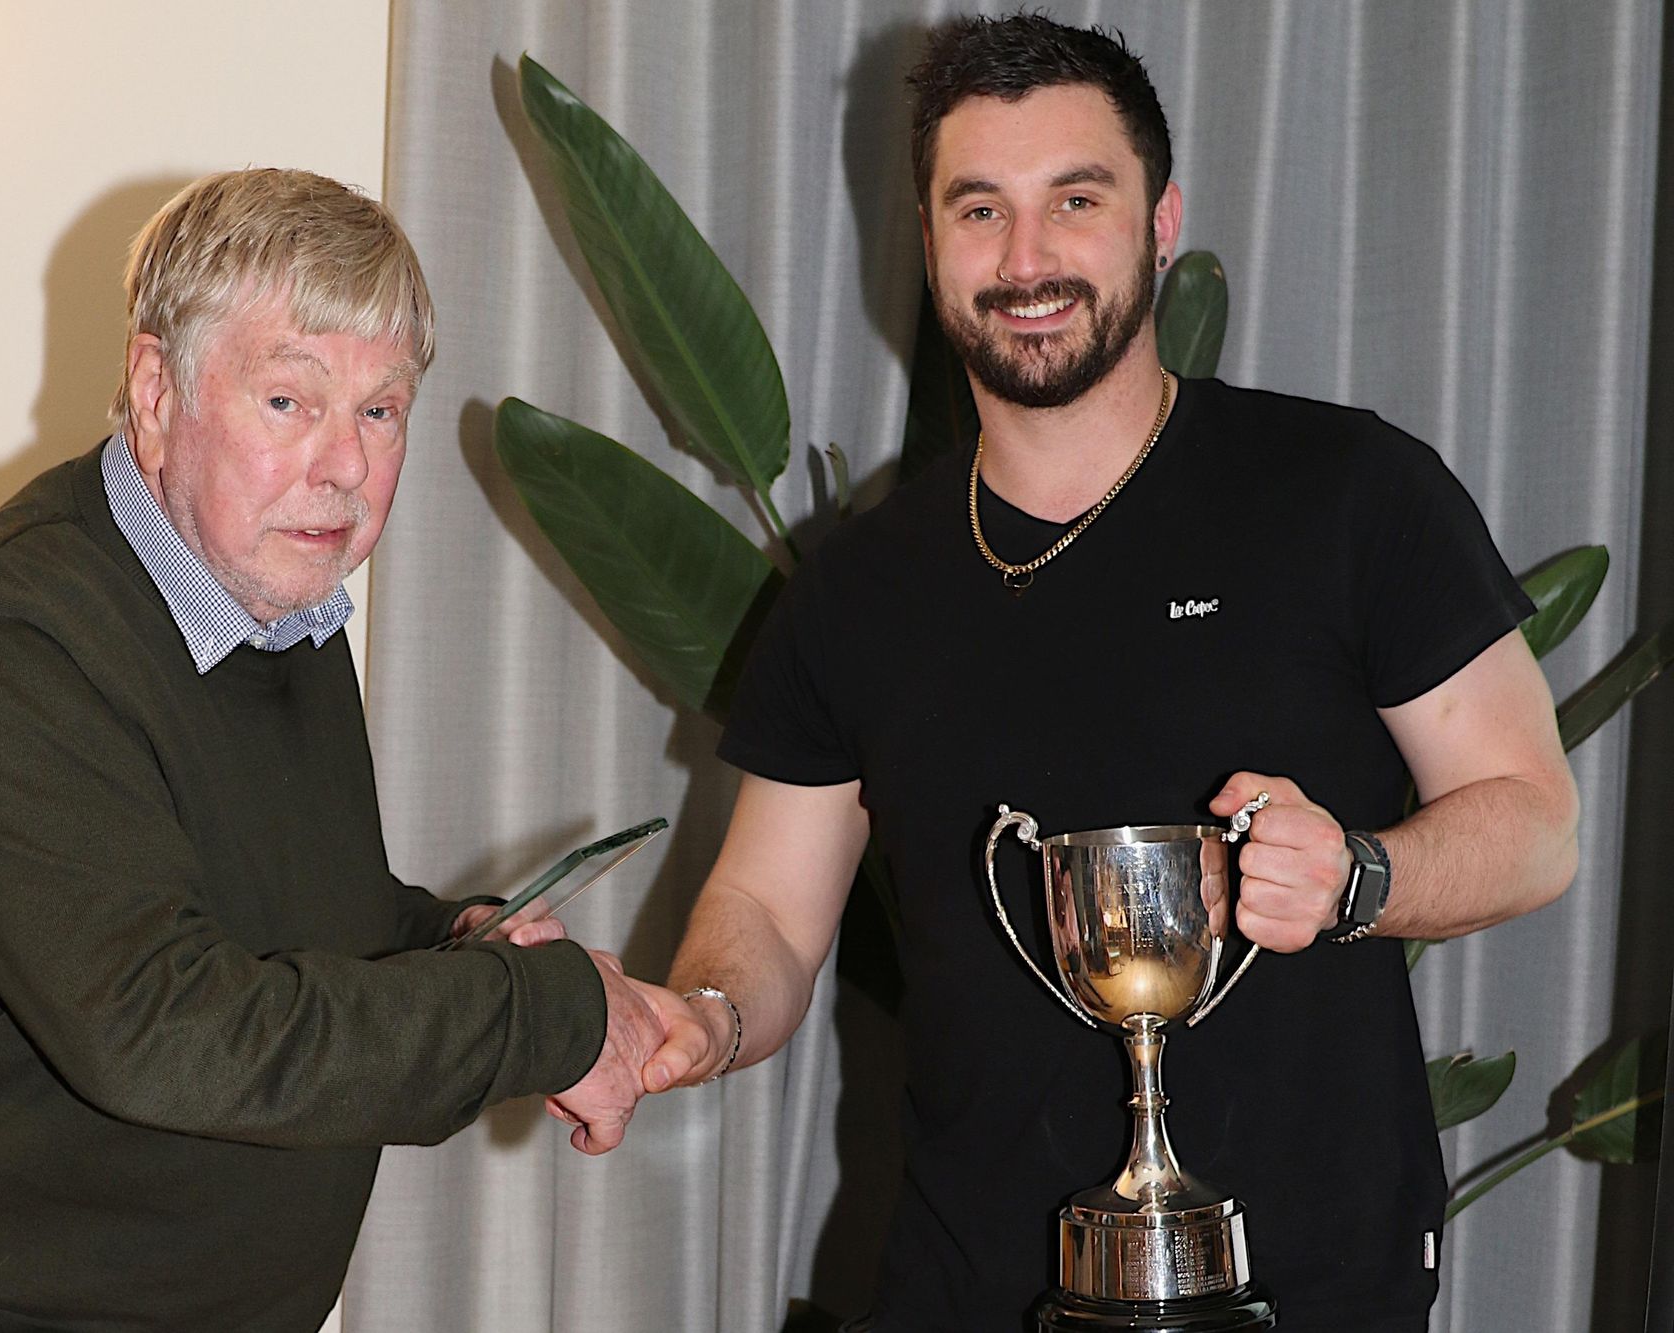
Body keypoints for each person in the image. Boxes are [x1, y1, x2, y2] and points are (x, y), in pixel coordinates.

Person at [636, 15, 1580, 1332]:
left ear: (1159, 221)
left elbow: (1534, 821)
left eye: (1075, 200)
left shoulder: (1349, 493)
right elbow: (771, 912)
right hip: (970, 1286)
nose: (1027, 260)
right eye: (981, 210)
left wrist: (1364, 875)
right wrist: (704, 1016)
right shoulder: (857, 588)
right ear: (928, 238)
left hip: (1308, 1281)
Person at [0, 168, 671, 1332]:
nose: (343, 466)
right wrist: (530, 1016)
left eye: (379, 411)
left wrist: (448, 938)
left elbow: (268, 911)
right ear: (154, 389)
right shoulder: (11, 640)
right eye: (291, 402)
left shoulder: (278, 597)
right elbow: (163, 1030)